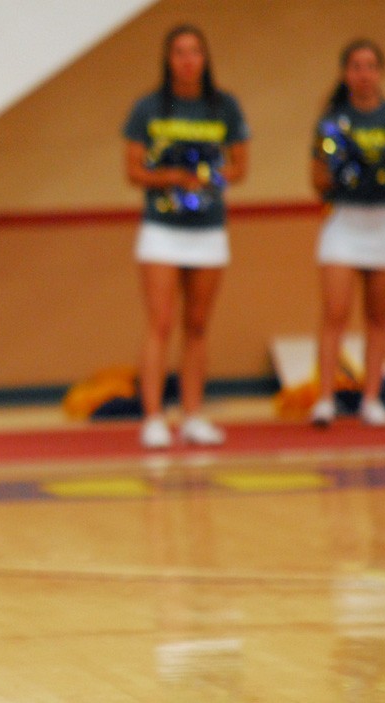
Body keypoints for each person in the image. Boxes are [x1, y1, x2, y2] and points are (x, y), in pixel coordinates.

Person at [122, 24, 249, 449]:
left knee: (197, 326)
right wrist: (172, 176)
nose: (188, 59)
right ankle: (154, 416)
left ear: (205, 58)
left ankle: (193, 414)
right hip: (161, 229)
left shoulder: (224, 107)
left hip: (209, 228)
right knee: (160, 323)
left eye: (195, 51)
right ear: (168, 59)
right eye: (179, 52)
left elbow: (239, 167)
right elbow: (134, 170)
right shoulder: (149, 108)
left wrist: (208, 175)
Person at [308, 39, 385, 428]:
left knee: (378, 317)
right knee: (335, 312)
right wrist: (348, 172)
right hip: (344, 223)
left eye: (370, 66)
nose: (363, 73)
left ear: (380, 72)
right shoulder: (333, 121)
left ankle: (371, 398)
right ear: (345, 73)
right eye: (355, 66)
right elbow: (317, 178)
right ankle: (325, 399)